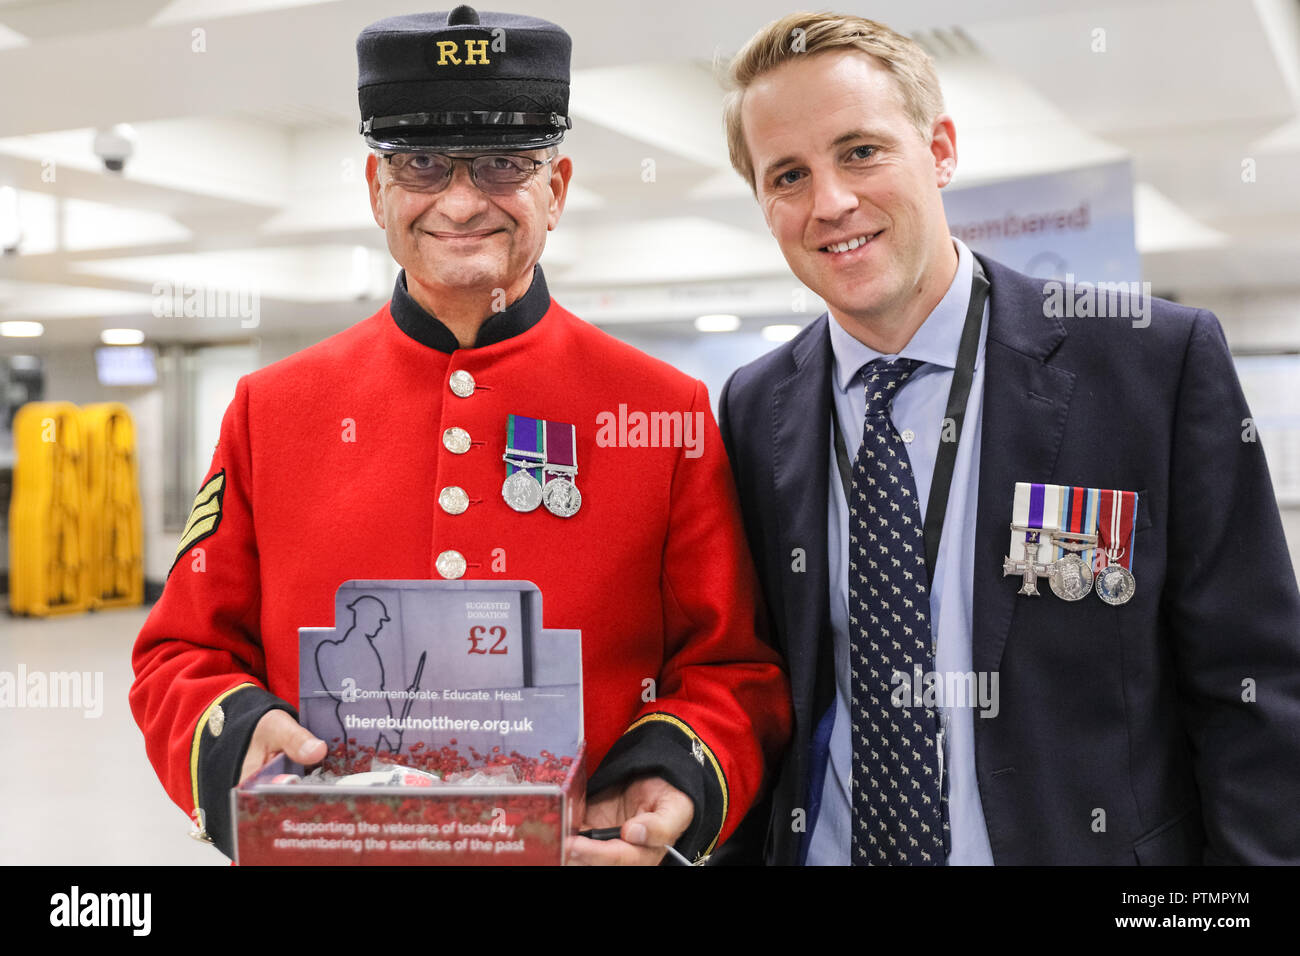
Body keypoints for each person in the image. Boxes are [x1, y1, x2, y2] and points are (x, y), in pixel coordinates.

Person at [129, 5, 790, 866]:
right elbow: (181, 651)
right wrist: (245, 739)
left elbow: (733, 669)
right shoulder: (272, 409)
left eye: (505, 164)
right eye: (422, 164)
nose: (462, 199)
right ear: (377, 189)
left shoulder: (662, 412)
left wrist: (667, 776)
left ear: (556, 189)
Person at [715, 11, 1300, 865]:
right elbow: (764, 680)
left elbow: (1255, 689)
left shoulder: (1149, 363)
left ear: (941, 150)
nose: (830, 202)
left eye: (861, 152)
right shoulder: (754, 406)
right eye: (788, 175)